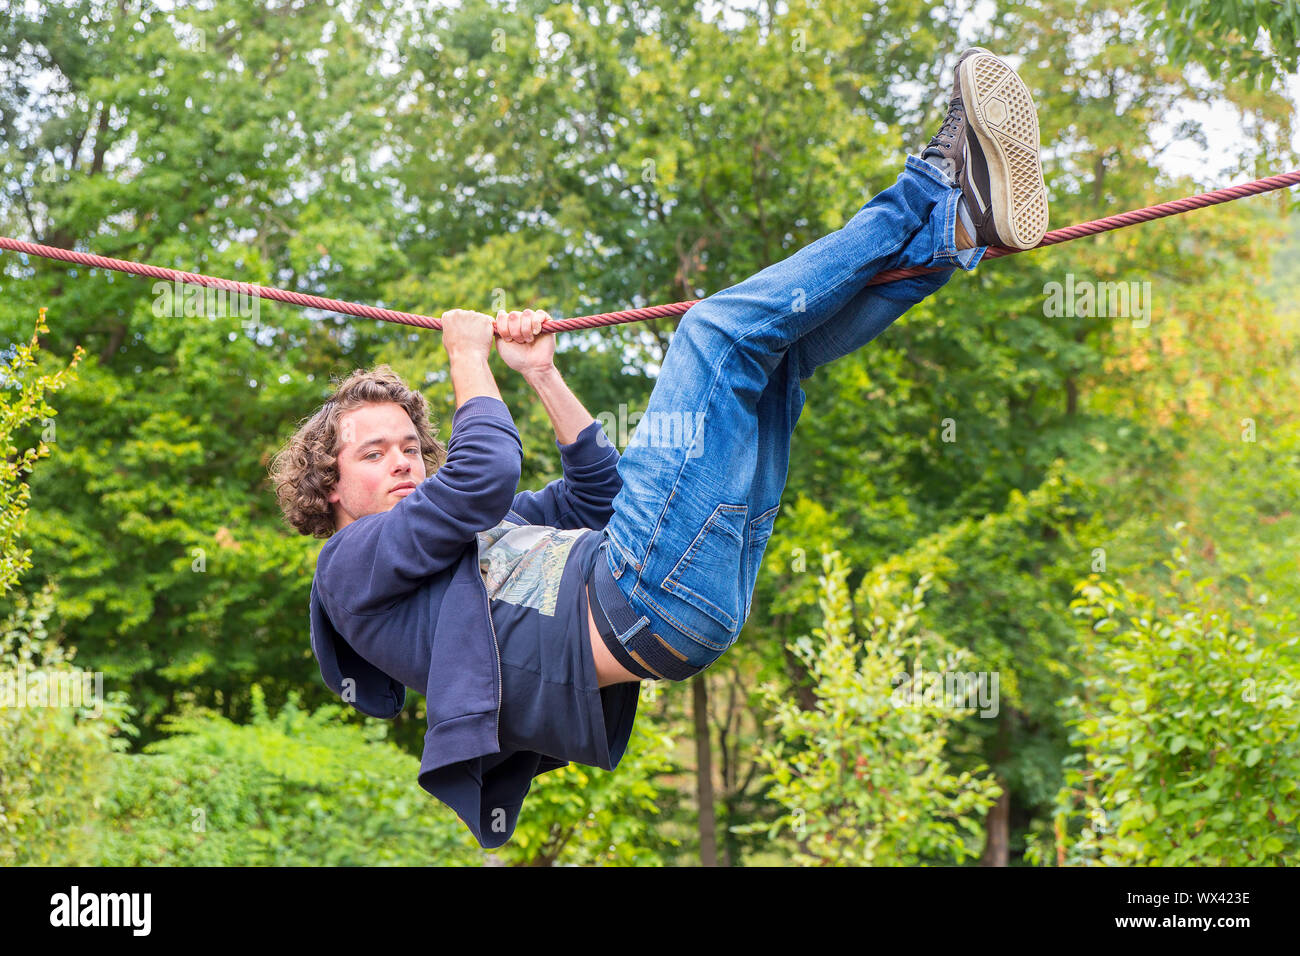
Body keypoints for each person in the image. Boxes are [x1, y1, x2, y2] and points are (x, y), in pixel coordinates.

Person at [270, 48, 1048, 849]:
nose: (403, 460)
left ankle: (952, 235)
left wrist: (539, 376)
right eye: (375, 454)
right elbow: (486, 468)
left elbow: (595, 499)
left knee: (772, 361)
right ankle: (932, 182)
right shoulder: (351, 567)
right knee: (713, 334)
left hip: (683, 605)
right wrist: (466, 357)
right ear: (328, 488)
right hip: (638, 596)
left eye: (409, 445)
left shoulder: (465, 551)